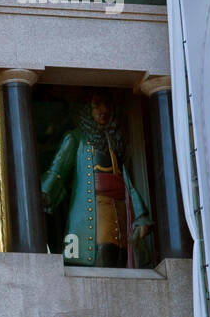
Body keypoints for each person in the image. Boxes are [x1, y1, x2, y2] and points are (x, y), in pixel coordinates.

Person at [40, 92, 152, 268]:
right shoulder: (76, 138)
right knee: (102, 258)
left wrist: (141, 216)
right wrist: (44, 193)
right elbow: (57, 172)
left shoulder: (114, 143)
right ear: (87, 110)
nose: (104, 110)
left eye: (107, 104)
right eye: (97, 104)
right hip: (96, 216)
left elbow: (127, 184)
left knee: (122, 260)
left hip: (122, 215)